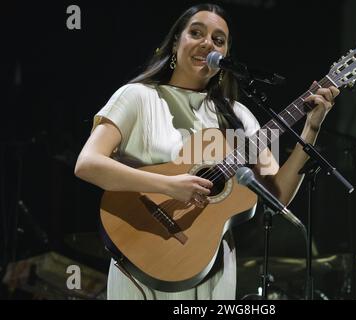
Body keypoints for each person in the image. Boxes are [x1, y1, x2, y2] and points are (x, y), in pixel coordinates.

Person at [74, 3, 339, 300]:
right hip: (143, 253)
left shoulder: (239, 116)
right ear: (176, 43)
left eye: (218, 40)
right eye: (196, 33)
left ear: (225, 56)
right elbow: (88, 164)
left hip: (210, 264)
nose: (207, 43)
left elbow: (276, 195)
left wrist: (311, 129)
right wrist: (169, 185)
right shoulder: (138, 97)